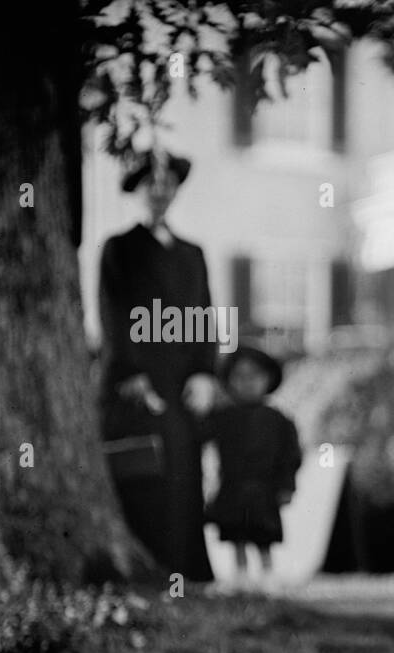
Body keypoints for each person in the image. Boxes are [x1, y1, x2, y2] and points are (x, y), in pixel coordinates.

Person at [98, 150, 219, 583]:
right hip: (138, 383)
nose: (161, 191)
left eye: (168, 183)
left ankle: (188, 574)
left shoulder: (192, 253)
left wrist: (205, 373)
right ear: (138, 189)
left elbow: (204, 316)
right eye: (152, 183)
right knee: (147, 474)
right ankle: (154, 572)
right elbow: (113, 315)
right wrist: (131, 375)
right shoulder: (120, 249)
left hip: (183, 381)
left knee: (186, 471)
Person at [202, 345, 302, 589]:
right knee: (236, 532)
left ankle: (268, 573)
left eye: (254, 377)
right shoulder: (222, 417)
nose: (247, 383)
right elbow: (202, 436)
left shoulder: (279, 421)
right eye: (240, 377)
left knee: (262, 533)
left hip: (264, 489)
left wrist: (286, 486)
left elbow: (291, 456)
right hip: (232, 486)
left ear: (268, 380)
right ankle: (240, 574)